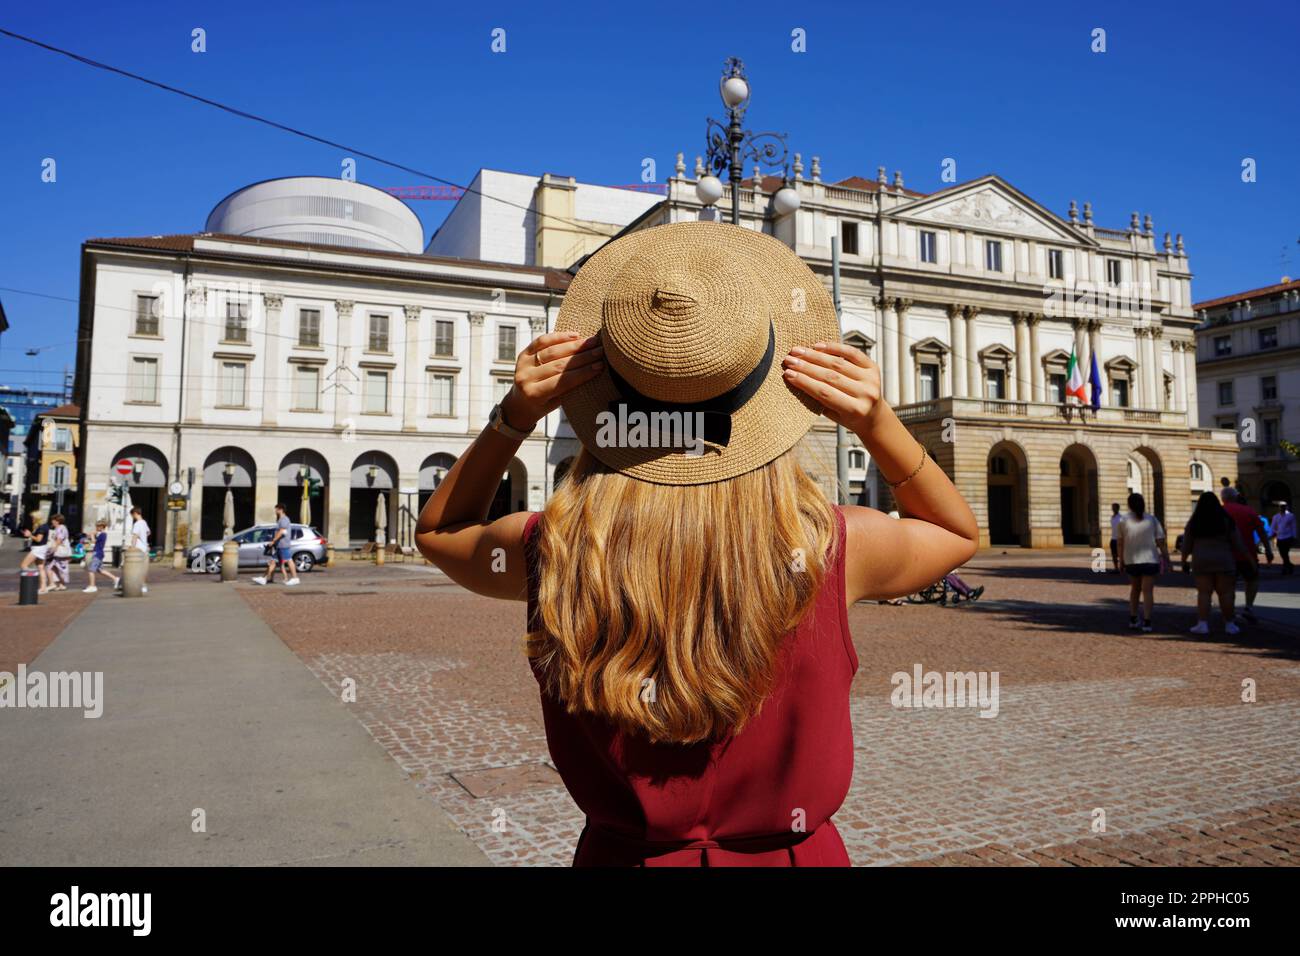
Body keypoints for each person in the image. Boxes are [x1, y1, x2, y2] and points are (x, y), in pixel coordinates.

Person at [414, 221, 979, 867]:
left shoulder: (555, 548)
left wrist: (512, 417)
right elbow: (955, 532)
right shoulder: (832, 545)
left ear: (605, 398)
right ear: (771, 395)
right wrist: (879, 425)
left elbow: (437, 531)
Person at [1181, 491, 1245, 636]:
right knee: (1226, 594)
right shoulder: (1226, 520)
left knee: (1204, 593)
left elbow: (1186, 544)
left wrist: (1183, 560)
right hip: (1224, 559)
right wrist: (1247, 558)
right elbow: (1237, 543)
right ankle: (1230, 624)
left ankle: (1202, 624)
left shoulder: (1195, 521)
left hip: (1201, 560)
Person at [1116, 492, 1169, 633]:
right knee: (1148, 592)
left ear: (1129, 505)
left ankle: (1133, 618)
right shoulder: (1152, 519)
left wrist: (1121, 561)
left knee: (1135, 590)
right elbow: (1161, 542)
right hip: (1150, 560)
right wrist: (1167, 558)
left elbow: (1120, 544)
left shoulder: (1123, 521)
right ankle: (1147, 621)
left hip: (1131, 560)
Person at [1220, 487, 1271, 624]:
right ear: (1236, 497)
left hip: (1227, 555)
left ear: (1223, 498)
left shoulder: (1219, 512)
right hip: (1248, 555)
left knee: (1229, 585)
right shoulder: (1249, 511)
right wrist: (1268, 550)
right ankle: (1248, 607)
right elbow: (1262, 533)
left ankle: (1229, 610)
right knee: (1252, 580)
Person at [253, 503, 300, 586]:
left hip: (283, 544)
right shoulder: (280, 520)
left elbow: (281, 531)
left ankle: (295, 578)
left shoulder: (284, 519)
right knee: (273, 562)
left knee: (289, 560)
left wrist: (273, 541)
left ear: (280, 509)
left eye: (276, 509)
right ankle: (264, 578)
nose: (275, 511)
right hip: (279, 545)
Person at [82, 519, 119, 592]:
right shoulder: (101, 534)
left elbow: (94, 541)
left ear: (102, 527)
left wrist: (92, 536)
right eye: (96, 526)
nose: (96, 528)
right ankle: (115, 579)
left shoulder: (103, 534)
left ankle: (92, 586)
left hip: (98, 553)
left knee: (91, 570)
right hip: (98, 553)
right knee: (101, 570)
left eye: (97, 526)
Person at [19, 511, 50, 592]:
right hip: (41, 548)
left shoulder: (42, 527)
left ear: (37, 518)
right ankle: (43, 587)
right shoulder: (42, 526)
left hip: (38, 549)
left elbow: (39, 539)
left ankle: (30, 584)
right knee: (41, 567)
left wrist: (30, 535)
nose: (32, 519)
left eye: (33, 518)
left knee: (24, 565)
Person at [43, 514, 71, 592]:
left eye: (53, 520)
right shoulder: (58, 528)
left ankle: (52, 583)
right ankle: (61, 584)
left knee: (50, 567)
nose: (52, 521)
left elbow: (59, 539)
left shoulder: (61, 528)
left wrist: (53, 549)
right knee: (57, 568)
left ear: (57, 521)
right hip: (58, 551)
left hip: (59, 551)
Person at [128, 506, 151, 594]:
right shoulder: (144, 522)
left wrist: (132, 547)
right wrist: (144, 539)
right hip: (144, 547)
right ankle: (144, 585)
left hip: (138, 548)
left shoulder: (137, 524)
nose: (132, 517)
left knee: (137, 568)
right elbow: (148, 532)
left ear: (135, 514)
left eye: (132, 515)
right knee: (144, 568)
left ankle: (139, 585)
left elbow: (135, 536)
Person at [1272, 501, 1295, 575]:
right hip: (1280, 537)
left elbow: (1293, 527)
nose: (1282, 508)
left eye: (1283, 506)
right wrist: (1271, 534)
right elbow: (1273, 526)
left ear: (1286, 507)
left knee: (1285, 553)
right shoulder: (1276, 516)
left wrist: (1294, 536)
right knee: (1282, 554)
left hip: (1288, 537)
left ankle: (1285, 568)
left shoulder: (1291, 516)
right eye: (1280, 506)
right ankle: (1290, 565)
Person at [1108, 502, 1123, 572]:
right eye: (1112, 507)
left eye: (1114, 507)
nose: (1113, 509)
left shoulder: (1121, 518)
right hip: (1113, 538)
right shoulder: (1112, 517)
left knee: (1120, 554)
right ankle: (1116, 568)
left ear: (1118, 508)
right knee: (1114, 555)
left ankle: (1121, 567)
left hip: (1119, 538)